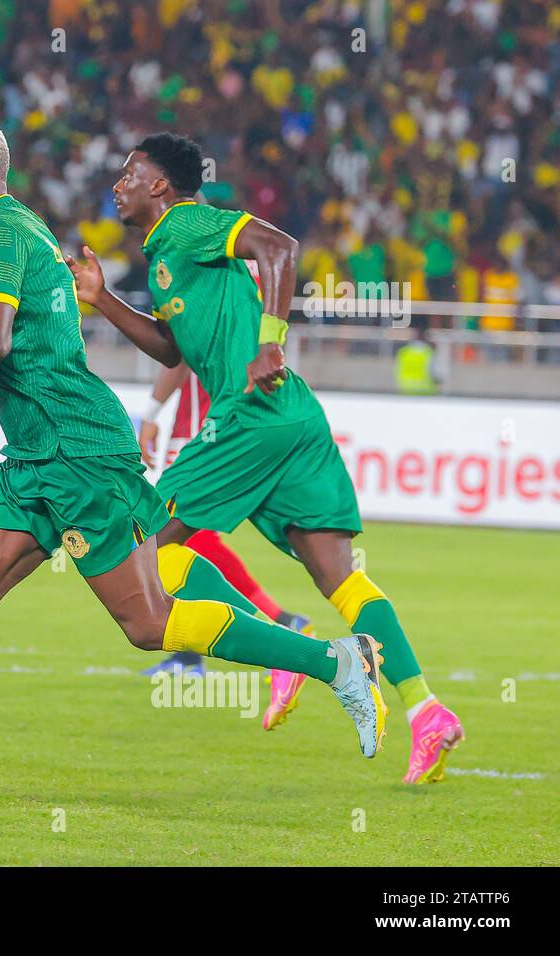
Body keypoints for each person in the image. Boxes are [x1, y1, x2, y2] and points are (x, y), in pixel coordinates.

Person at [0, 118, 385, 831]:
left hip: (77, 454)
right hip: (38, 459)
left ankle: (333, 662)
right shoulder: (14, 228)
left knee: (149, 624)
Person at [67, 132, 463, 784]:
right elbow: (172, 350)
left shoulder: (190, 223)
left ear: (161, 187)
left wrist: (269, 342)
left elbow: (279, 247)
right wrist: (103, 299)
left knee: (146, 546)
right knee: (341, 577)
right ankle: (426, 710)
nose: (119, 184)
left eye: (131, 172)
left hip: (249, 413)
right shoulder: (167, 251)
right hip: (292, 418)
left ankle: (289, 652)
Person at [137, 358, 316, 735]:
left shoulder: (205, 304)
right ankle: (196, 651)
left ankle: (280, 630)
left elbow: (177, 352)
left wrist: (151, 412)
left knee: (166, 539)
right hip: (206, 426)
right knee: (180, 541)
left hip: (208, 430)